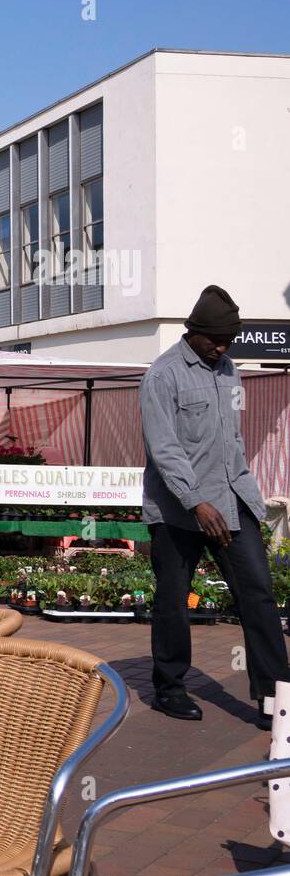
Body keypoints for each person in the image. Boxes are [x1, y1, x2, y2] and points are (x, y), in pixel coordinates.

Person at [140, 285, 290, 729]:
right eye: (214, 340)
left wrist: (250, 496)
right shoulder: (162, 376)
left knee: (259, 596)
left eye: (228, 341)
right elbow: (164, 449)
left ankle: (274, 700)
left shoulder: (229, 371)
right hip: (178, 510)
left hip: (231, 501)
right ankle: (169, 688)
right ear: (193, 332)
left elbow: (233, 441)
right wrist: (196, 502)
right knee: (174, 600)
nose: (222, 348)